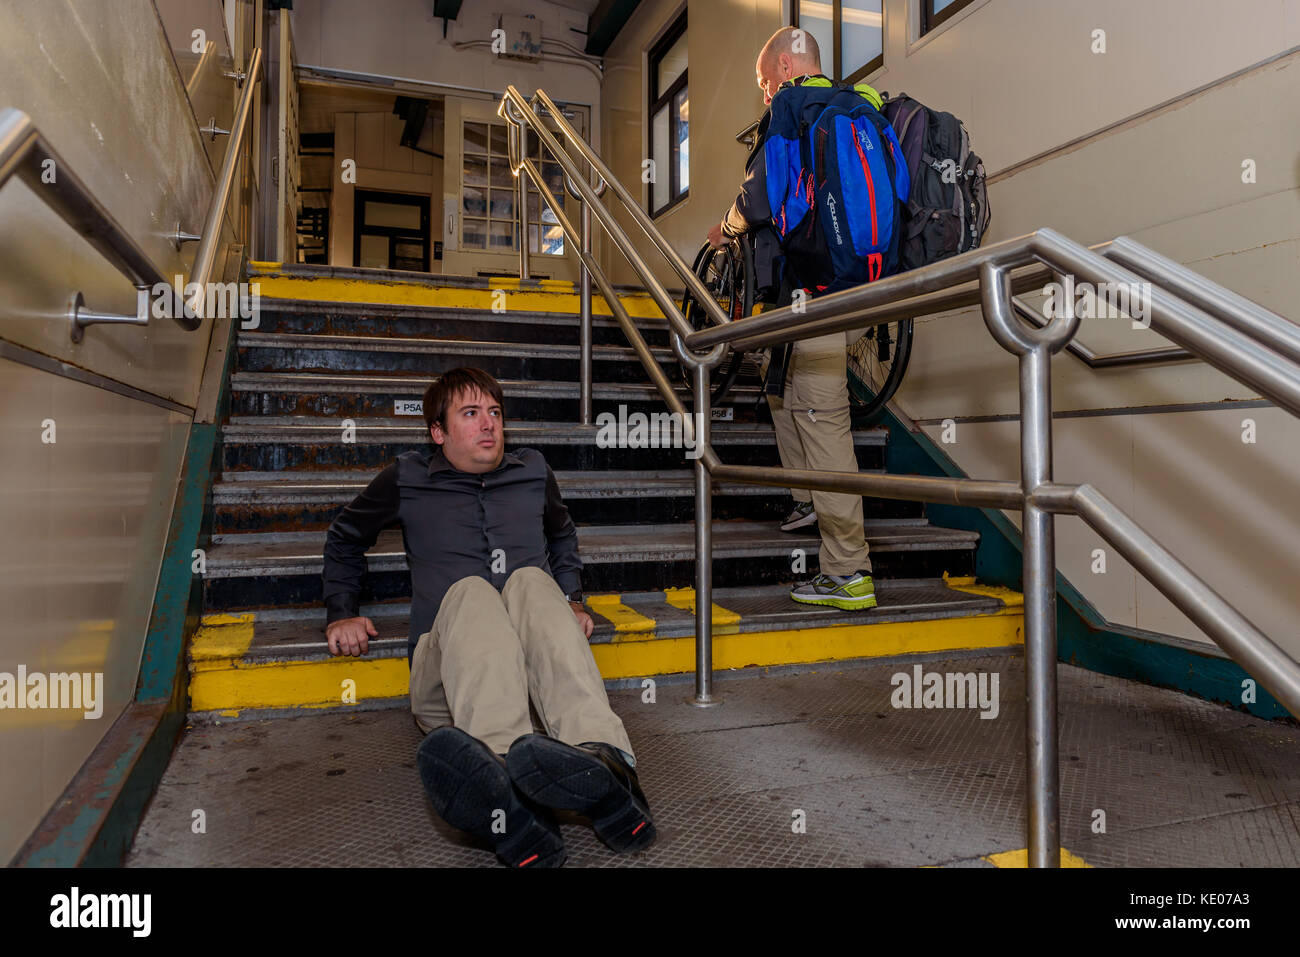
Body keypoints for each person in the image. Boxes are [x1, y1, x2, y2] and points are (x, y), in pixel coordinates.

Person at [321, 366, 655, 867]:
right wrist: (341, 613)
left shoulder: (533, 470)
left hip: (533, 687)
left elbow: (561, 536)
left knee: (528, 581)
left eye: (495, 413)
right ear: (438, 433)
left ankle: (608, 766)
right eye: (471, 414)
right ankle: (499, 770)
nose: (488, 425)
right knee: (474, 590)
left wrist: (573, 598)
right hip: (447, 682)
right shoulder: (407, 477)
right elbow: (344, 537)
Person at [705, 25, 882, 612]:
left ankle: (848, 571)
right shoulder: (860, 104)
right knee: (785, 393)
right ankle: (810, 500)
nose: (763, 93)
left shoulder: (790, 107)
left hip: (813, 293)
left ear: (783, 66)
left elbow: (760, 200)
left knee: (820, 416)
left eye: (762, 81)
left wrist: (727, 226)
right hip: (861, 286)